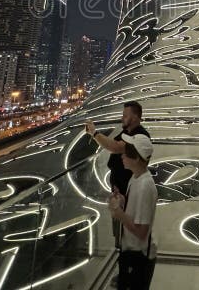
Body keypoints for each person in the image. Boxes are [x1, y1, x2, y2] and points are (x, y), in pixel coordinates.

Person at [86, 101, 150, 246]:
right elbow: (113, 144)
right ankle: (120, 249)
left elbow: (114, 147)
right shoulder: (126, 132)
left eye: (125, 115)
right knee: (119, 229)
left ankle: (125, 251)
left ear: (134, 117)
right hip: (119, 190)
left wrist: (94, 133)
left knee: (127, 228)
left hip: (127, 191)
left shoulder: (139, 136)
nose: (122, 118)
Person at [108, 133, 157, 290]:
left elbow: (142, 232)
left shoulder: (144, 186)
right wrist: (123, 200)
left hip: (138, 257)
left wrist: (119, 214)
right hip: (130, 251)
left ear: (136, 158)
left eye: (126, 153)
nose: (122, 156)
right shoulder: (136, 177)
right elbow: (136, 209)